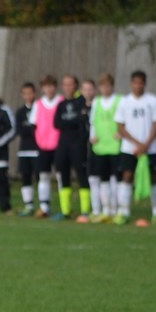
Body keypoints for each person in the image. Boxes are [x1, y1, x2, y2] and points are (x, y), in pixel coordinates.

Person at [113, 70, 156, 226]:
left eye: (140, 83)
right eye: (135, 83)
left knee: (154, 178)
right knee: (127, 177)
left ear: (145, 84)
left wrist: (147, 144)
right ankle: (125, 212)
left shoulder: (153, 101)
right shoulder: (124, 102)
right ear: (131, 84)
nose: (138, 86)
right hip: (129, 148)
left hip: (150, 148)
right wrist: (138, 144)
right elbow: (120, 127)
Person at [53, 75, 92, 221]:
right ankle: (65, 210)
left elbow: (82, 120)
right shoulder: (61, 104)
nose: (68, 87)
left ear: (76, 86)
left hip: (78, 144)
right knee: (63, 175)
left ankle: (85, 210)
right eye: (65, 85)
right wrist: (72, 122)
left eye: (71, 85)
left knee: (81, 174)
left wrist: (69, 122)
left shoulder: (82, 102)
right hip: (63, 144)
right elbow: (57, 123)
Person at [88, 74, 123, 223]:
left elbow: (124, 120)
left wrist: (121, 133)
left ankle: (117, 209)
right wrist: (92, 136)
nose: (105, 89)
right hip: (100, 146)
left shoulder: (120, 100)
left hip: (115, 146)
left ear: (112, 86)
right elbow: (93, 121)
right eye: (102, 86)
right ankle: (105, 209)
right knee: (103, 179)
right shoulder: (96, 102)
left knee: (116, 179)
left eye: (108, 85)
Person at [32, 75, 62, 218]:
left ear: (55, 87)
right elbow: (34, 125)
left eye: (51, 86)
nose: (49, 89)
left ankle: (64, 207)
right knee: (43, 175)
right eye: (46, 86)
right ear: (42, 88)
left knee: (61, 176)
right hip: (43, 146)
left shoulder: (61, 102)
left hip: (59, 145)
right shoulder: (38, 104)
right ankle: (44, 206)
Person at [15, 81, 40, 217]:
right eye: (25, 93)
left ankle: (43, 205)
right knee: (26, 177)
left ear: (34, 93)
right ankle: (28, 205)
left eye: (30, 93)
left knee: (40, 177)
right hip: (24, 149)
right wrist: (30, 130)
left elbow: (39, 129)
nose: (28, 96)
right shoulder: (20, 112)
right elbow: (20, 130)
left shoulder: (39, 108)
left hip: (38, 149)